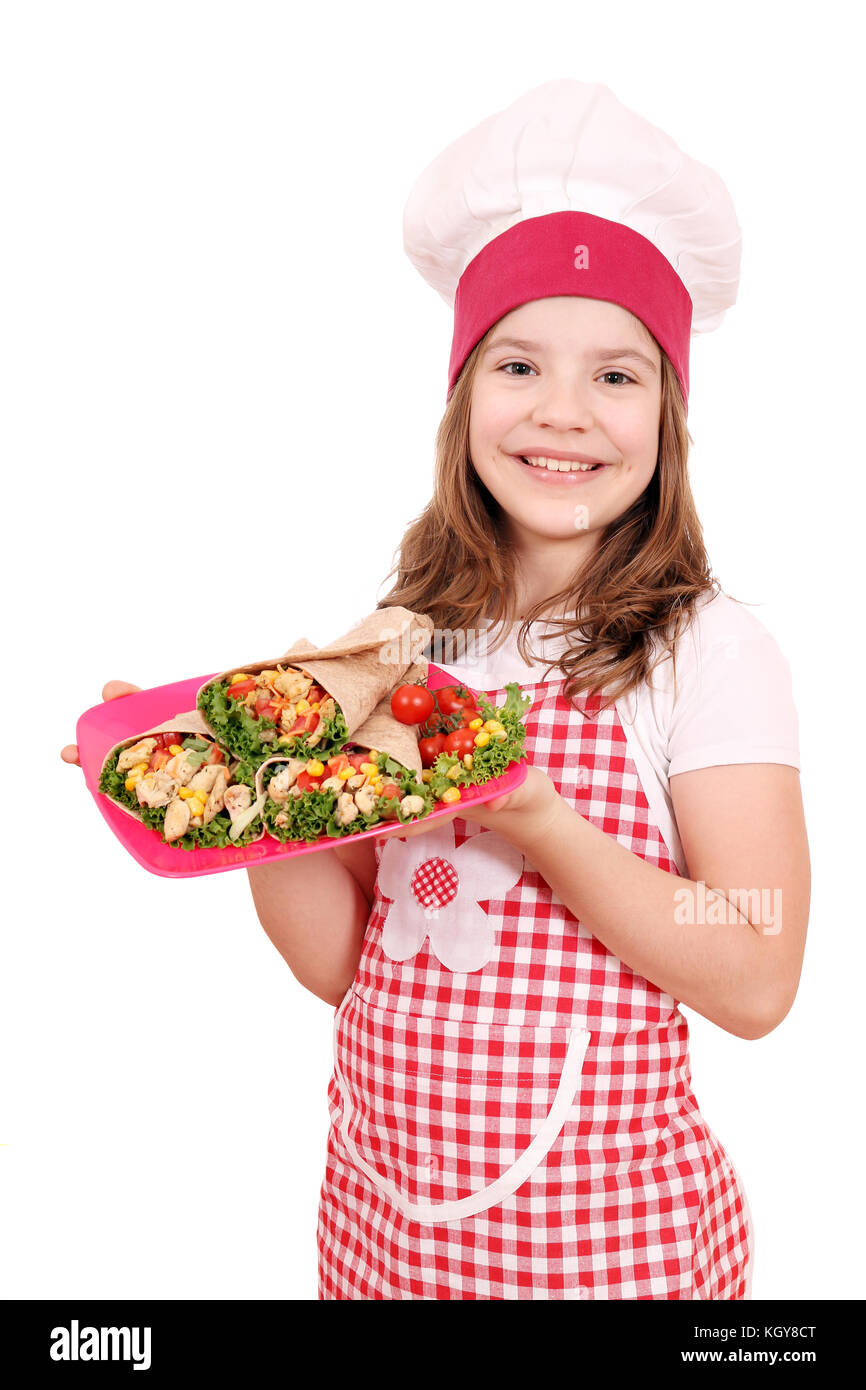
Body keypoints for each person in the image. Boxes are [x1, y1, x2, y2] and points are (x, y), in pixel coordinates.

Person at [62, 79, 810, 1301]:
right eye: (519, 362)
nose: (561, 413)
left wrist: (540, 822)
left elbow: (758, 976)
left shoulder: (706, 649)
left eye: (615, 375)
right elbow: (343, 960)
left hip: (603, 1256)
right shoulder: (401, 640)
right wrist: (238, 777)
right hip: (384, 1238)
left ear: (667, 415)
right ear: (464, 395)